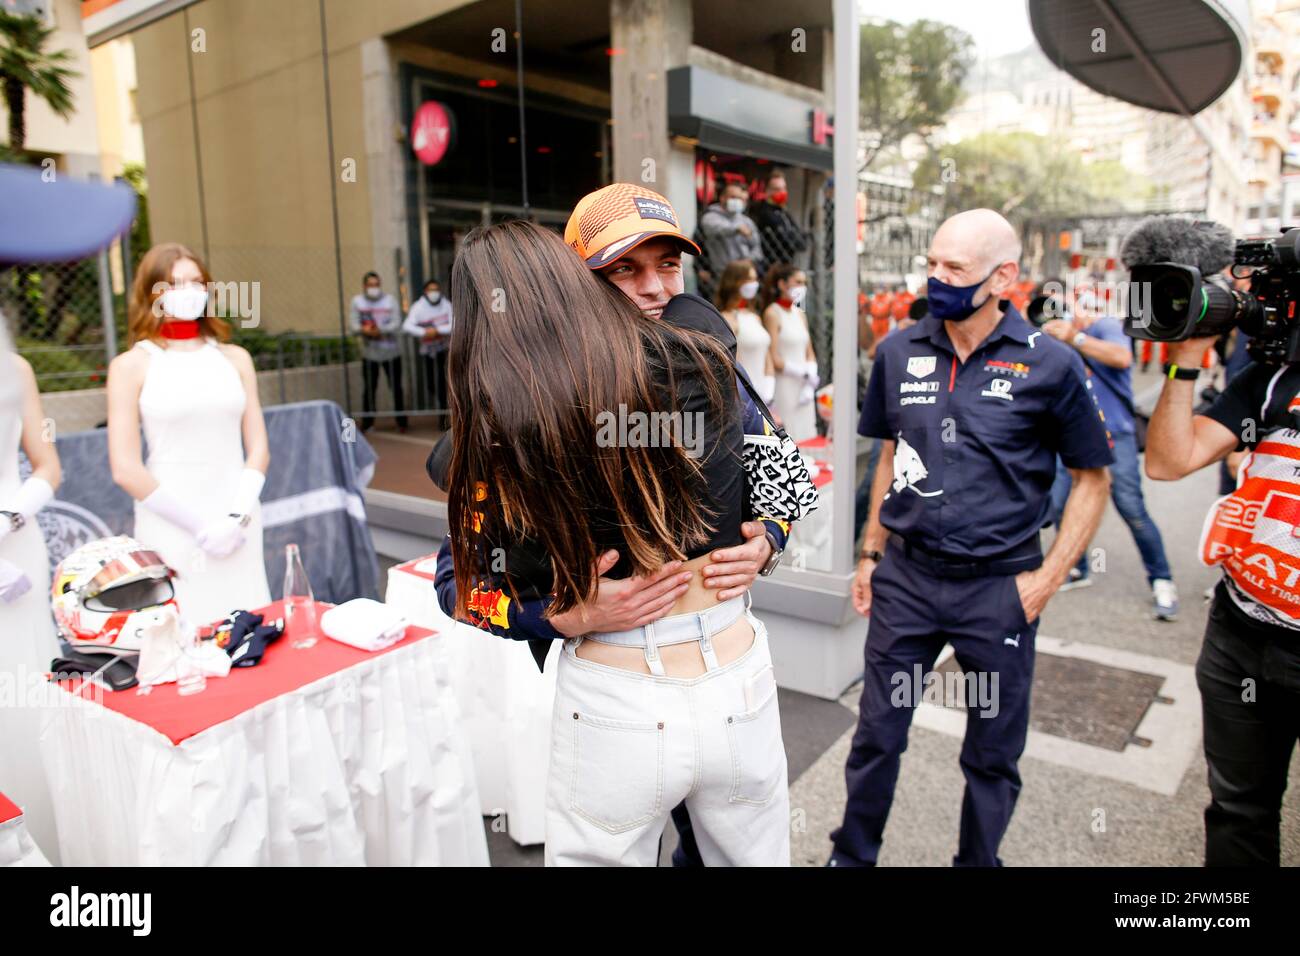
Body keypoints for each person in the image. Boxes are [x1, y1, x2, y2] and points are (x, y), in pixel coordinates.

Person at [428, 183, 794, 867]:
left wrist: (767, 541)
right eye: (625, 268)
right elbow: (459, 583)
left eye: (668, 266)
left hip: (734, 672)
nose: (654, 288)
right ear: (575, 285)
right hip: (619, 689)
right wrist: (557, 616)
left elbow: (782, 471)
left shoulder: (713, 361)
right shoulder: (521, 409)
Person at [829, 208, 1113, 867]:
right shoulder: (900, 350)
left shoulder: (1052, 365)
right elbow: (898, 454)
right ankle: (851, 858)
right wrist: (871, 552)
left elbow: (1092, 479)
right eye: (933, 263)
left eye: (954, 268)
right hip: (906, 580)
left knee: (991, 756)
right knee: (876, 736)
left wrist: (1046, 582)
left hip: (1000, 590)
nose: (937, 278)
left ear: (1003, 276)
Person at [1145, 328, 1300, 866]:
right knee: (1238, 812)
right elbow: (1167, 460)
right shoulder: (1275, 379)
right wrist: (1185, 359)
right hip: (1242, 638)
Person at [107, 242, 271, 628]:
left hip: (239, 517)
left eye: (196, 282)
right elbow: (125, 467)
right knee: (181, 633)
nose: (189, 291)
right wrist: (200, 527)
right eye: (175, 283)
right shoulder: (131, 365)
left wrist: (234, 518)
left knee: (247, 626)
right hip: (172, 523)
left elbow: (258, 447)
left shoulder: (235, 358)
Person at [1042, 292, 1178, 619]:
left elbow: (1121, 358)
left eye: (1062, 304)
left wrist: (1073, 335)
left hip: (1114, 433)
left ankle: (1162, 579)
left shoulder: (1104, 327)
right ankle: (1078, 566)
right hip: (1070, 436)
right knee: (1059, 503)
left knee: (1131, 507)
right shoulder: (1059, 339)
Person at [0, 330, 62, 862]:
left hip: (17, 540)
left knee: (26, 685)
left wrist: (10, 516)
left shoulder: (17, 370)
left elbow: (47, 466)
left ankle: (45, 832)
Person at [761, 263, 818, 442]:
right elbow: (773, 356)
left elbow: (809, 351)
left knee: (807, 436)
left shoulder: (800, 314)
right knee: (789, 437)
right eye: (797, 282)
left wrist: (810, 380)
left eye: (804, 282)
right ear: (782, 284)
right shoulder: (772, 313)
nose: (802, 286)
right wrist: (802, 372)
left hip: (803, 387)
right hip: (785, 384)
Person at [350, 270, 408, 433]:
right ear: (364, 286)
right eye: (370, 285)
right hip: (370, 354)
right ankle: (368, 423)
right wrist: (365, 330)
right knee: (369, 389)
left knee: (396, 388)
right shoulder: (357, 302)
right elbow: (353, 325)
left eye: (376, 285)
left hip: (391, 353)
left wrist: (379, 330)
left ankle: (401, 422)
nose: (373, 288)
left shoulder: (390, 301)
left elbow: (397, 323)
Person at [715, 259, 774, 403]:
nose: (754, 284)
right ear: (733, 282)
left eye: (755, 279)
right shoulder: (726, 318)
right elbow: (733, 362)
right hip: (743, 397)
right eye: (749, 279)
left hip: (765, 393)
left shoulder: (754, 316)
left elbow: (767, 357)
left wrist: (769, 387)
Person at [402, 276, 453, 429]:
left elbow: (455, 323)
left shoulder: (446, 305)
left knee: (443, 385)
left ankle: (443, 420)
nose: (434, 293)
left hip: (444, 352)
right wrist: (425, 332)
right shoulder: (418, 307)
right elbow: (407, 326)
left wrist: (438, 330)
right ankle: (443, 412)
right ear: (425, 291)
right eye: (431, 290)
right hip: (428, 353)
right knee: (432, 384)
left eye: (436, 289)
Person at [749, 169, 808, 276]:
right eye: (776, 189)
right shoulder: (763, 212)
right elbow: (786, 240)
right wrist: (793, 235)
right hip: (769, 268)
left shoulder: (783, 212)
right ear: (767, 190)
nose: (781, 192)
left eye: (783, 188)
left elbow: (802, 242)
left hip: (785, 266)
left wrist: (794, 236)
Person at [699, 180, 762, 276]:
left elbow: (757, 247)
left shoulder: (747, 221)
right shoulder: (710, 217)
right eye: (733, 197)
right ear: (722, 198)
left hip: (744, 272)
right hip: (721, 273)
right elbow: (716, 228)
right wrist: (736, 229)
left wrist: (748, 260)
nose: (737, 201)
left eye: (740, 198)